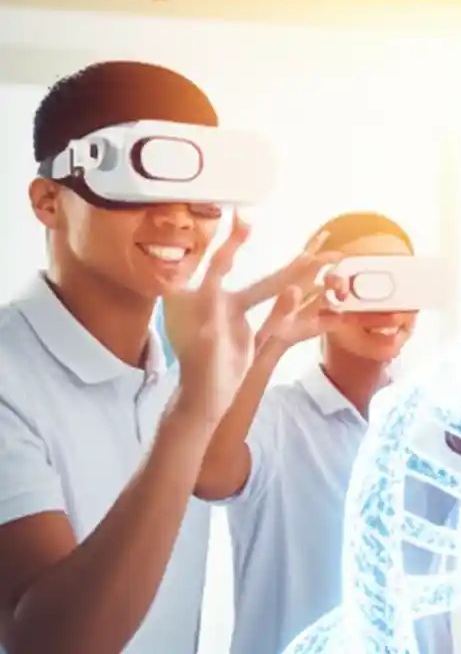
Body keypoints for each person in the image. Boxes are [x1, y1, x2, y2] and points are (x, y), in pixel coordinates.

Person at [0, 61, 291, 653]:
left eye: (201, 192)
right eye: (137, 178)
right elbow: (50, 645)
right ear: (48, 201)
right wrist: (189, 415)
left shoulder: (183, 370)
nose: (176, 216)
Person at [192, 211, 461, 654]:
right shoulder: (274, 418)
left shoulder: (433, 422)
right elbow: (209, 477)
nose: (388, 306)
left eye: (404, 282)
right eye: (365, 283)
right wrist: (277, 341)